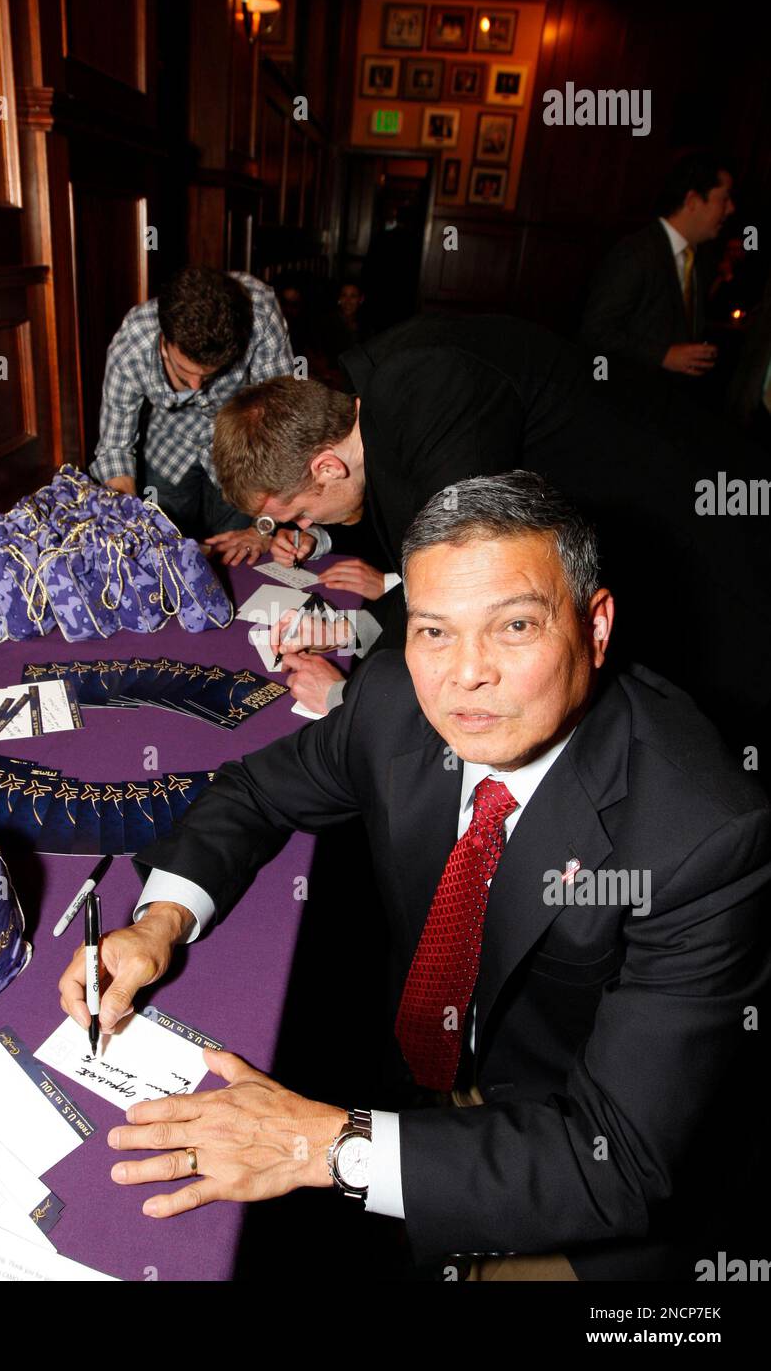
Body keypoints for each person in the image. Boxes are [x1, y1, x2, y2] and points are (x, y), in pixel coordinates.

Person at [57, 473, 771, 1281]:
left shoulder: (703, 836)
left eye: (515, 626)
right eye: (435, 631)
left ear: (596, 627)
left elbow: (622, 1161)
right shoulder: (392, 698)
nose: (465, 674)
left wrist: (318, 1145)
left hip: (575, 1157)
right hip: (411, 1074)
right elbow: (252, 791)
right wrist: (161, 921)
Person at [211, 314, 771, 755]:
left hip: (707, 544)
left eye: (296, 512)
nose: (303, 526)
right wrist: (345, 626)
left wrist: (344, 700)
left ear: (327, 467)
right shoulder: (380, 402)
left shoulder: (431, 393)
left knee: (713, 734)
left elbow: (460, 593)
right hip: (643, 538)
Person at [89, 266, 294, 565]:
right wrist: (130, 524)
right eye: (185, 376)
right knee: (165, 558)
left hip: (241, 448)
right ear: (164, 341)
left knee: (240, 558)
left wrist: (263, 527)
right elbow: (114, 449)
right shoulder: (132, 343)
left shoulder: (259, 313)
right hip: (168, 448)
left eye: (210, 376)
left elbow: (278, 427)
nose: (197, 386)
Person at [581, 152, 735, 382]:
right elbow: (594, 332)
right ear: (692, 200)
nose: (731, 209)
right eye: (724, 199)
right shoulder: (636, 253)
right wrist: (663, 355)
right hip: (625, 400)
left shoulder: (699, 257)